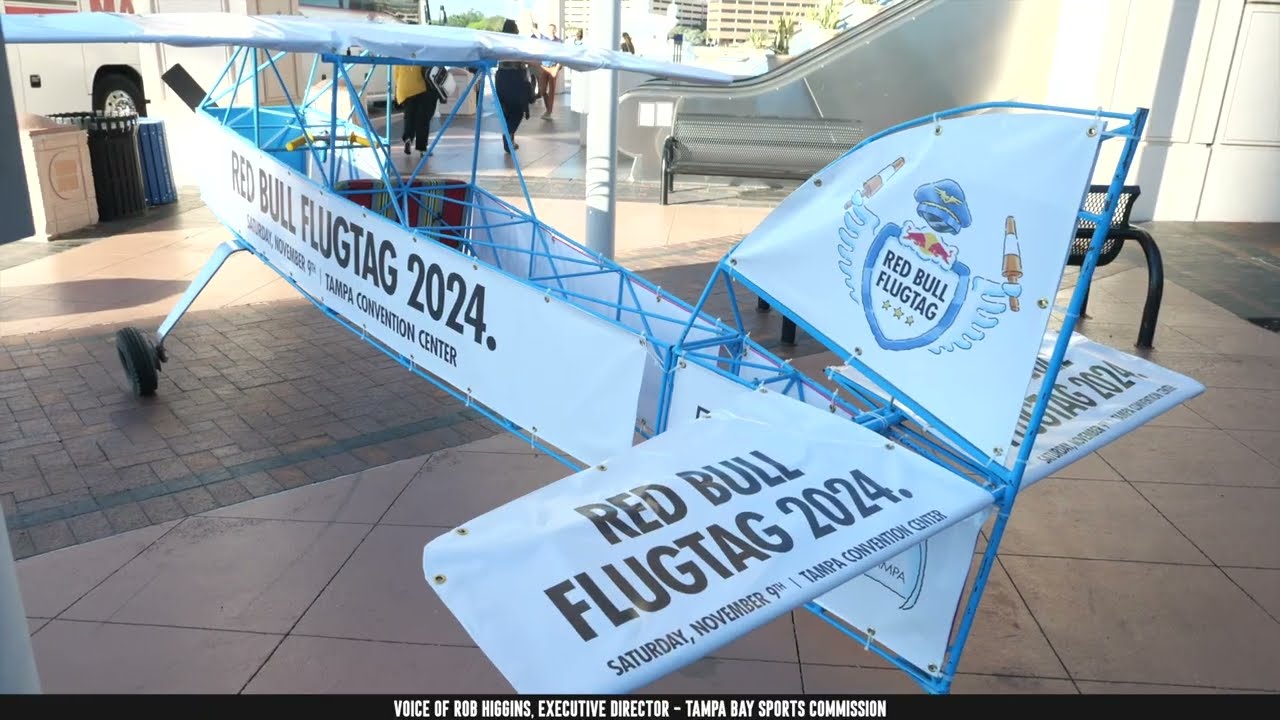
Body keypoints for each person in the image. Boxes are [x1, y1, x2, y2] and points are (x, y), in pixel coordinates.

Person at [495, 18, 533, 154]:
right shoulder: (516, 43)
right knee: (517, 110)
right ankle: (508, 136)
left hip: (501, 77)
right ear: (513, 29)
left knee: (507, 110)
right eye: (516, 27)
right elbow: (524, 59)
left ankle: (509, 141)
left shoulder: (498, 42)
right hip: (514, 78)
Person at [393, 63, 440, 156]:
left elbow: (396, 75)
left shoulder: (400, 54)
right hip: (418, 89)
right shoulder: (419, 52)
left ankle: (408, 139)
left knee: (409, 116)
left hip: (403, 89)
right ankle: (422, 149)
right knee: (422, 119)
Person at [536, 23, 563, 119]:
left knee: (551, 91)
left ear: (555, 31)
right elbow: (534, 30)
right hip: (544, 67)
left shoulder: (559, 42)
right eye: (548, 29)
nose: (549, 30)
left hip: (553, 67)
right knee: (542, 90)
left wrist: (557, 68)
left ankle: (549, 112)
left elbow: (562, 57)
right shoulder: (544, 39)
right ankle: (548, 109)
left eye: (551, 29)